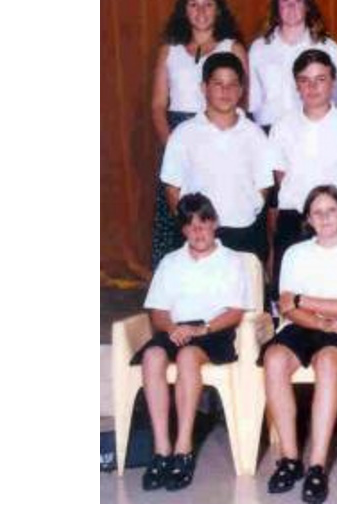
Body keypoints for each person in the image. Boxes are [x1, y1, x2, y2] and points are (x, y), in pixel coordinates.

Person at [261, 185, 337, 504]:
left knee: (326, 362)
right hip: (305, 325)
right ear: (308, 220)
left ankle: (317, 466)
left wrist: (302, 298)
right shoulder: (295, 254)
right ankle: (289, 459)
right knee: (273, 358)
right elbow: (287, 307)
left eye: (331, 210)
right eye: (317, 212)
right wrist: (320, 319)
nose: (325, 217)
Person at [132, 193, 250, 492]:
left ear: (215, 224)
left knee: (187, 358)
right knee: (152, 356)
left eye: (203, 223)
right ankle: (161, 450)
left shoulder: (232, 261)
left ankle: (183, 448)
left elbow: (235, 311)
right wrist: (172, 328)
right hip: (177, 328)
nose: (197, 231)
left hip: (214, 330)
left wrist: (201, 329)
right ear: (183, 230)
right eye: (190, 225)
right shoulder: (171, 262)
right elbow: (158, 311)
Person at [150, 0, 247, 268]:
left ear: (218, 10)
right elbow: (157, 105)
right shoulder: (170, 50)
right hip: (177, 134)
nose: (201, 11)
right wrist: (174, 146)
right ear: (184, 10)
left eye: (208, 4)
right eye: (194, 4)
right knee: (180, 213)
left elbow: (241, 102)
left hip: (220, 134)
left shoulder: (232, 48)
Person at [267, 49, 337, 301]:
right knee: (291, 298)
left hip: (336, 222)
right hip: (295, 221)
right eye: (305, 80)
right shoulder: (282, 126)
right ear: (296, 85)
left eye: (320, 79)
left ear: (333, 82)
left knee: (336, 292)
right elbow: (280, 176)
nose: (312, 87)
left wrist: (331, 209)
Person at [160, 53, 272, 267]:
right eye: (218, 84)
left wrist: (249, 209)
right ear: (204, 88)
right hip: (198, 234)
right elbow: (172, 187)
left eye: (232, 85)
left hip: (242, 231)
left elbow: (263, 185)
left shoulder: (255, 135)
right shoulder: (184, 134)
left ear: (241, 90)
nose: (225, 91)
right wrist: (192, 225)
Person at [248, 0, 337, 132]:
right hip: (268, 131)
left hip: (313, 130)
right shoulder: (259, 48)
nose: (291, 7)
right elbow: (253, 100)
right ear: (276, 6)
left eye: (298, 1)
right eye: (285, 1)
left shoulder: (328, 48)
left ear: (307, 6)